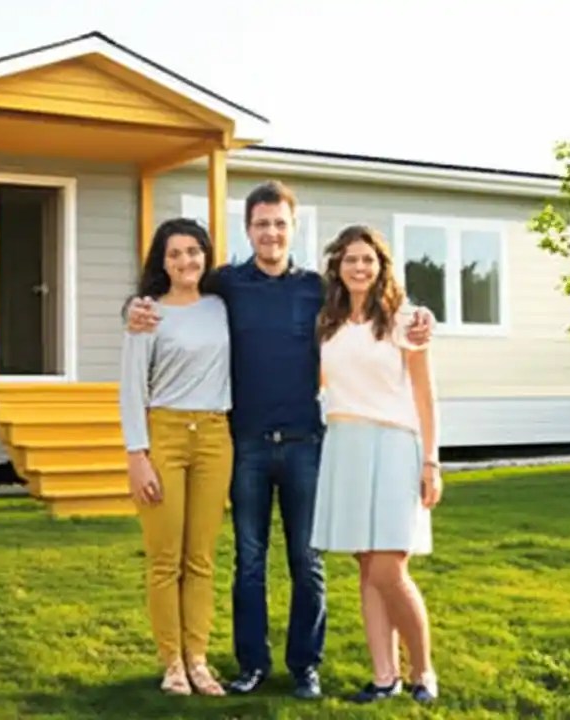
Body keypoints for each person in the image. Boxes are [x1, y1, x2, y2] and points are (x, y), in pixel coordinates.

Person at [124, 181, 435, 700]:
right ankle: (252, 665)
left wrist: (420, 314)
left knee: (305, 563)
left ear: (293, 229)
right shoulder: (225, 284)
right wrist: (132, 311)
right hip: (244, 442)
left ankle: (305, 665)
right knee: (249, 560)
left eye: (280, 224)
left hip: (306, 443)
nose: (270, 233)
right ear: (248, 229)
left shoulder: (318, 289)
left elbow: (377, 299)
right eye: (261, 223)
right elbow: (176, 297)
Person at [310, 224, 443, 705]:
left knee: (390, 568)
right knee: (366, 567)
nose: (359, 267)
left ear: (381, 267)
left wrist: (431, 460)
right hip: (346, 442)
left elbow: (426, 396)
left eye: (368, 259)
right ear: (338, 268)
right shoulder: (328, 322)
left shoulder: (406, 321)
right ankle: (384, 678)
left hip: (395, 444)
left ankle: (423, 671)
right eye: (350, 260)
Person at [118, 217, 234, 697]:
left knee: (201, 558)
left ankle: (199, 659)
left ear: (206, 255)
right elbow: (131, 387)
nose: (186, 261)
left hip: (214, 435)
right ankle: (172, 664)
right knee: (165, 559)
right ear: (161, 263)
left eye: (194, 251)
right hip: (163, 433)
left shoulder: (223, 306)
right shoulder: (146, 314)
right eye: (175, 254)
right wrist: (137, 456)